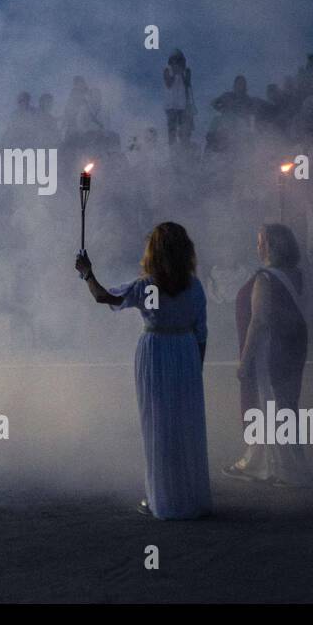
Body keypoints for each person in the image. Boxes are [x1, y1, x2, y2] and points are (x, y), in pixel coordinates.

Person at [74, 223, 211, 520]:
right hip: (185, 350)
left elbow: (104, 297)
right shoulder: (195, 286)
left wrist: (87, 274)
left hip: (157, 351)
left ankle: (162, 497)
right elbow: (201, 332)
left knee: (159, 425)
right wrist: (194, 368)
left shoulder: (147, 286)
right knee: (185, 425)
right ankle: (191, 496)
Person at [224, 224, 312, 486]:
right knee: (281, 405)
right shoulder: (296, 274)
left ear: (272, 246)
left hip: (270, 351)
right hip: (291, 347)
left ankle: (287, 471)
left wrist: (245, 359)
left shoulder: (266, 278)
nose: (258, 246)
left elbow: (259, 320)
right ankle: (259, 461)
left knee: (271, 405)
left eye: (261, 241)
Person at [162, 51, 194, 148]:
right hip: (171, 107)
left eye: (179, 61)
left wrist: (182, 73)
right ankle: (173, 151)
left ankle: (184, 150)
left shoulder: (186, 71)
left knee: (184, 131)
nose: (177, 63)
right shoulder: (167, 70)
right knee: (172, 132)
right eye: (174, 61)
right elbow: (168, 84)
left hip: (183, 107)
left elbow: (187, 84)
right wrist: (175, 74)